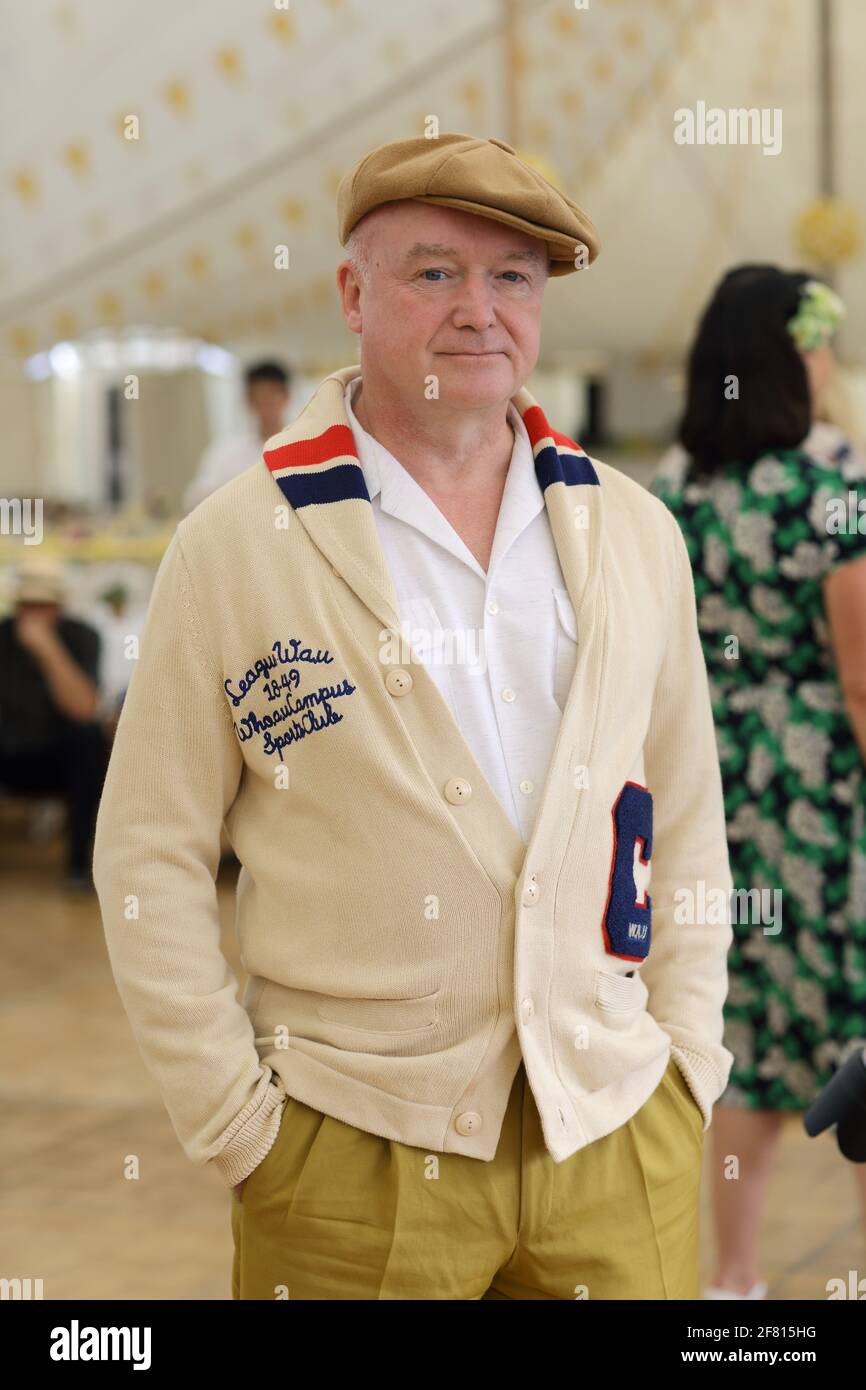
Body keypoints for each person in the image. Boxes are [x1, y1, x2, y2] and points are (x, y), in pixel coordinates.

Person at [93, 132, 734, 1301]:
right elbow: (147, 848)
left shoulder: (636, 533)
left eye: (513, 280)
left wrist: (686, 1062)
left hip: (615, 1134)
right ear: (351, 293)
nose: (477, 312)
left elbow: (686, 807)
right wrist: (239, 1127)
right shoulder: (242, 543)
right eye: (434, 272)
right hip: (346, 1152)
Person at [649, 265, 866, 1299]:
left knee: (738, 1034)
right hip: (823, 795)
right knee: (857, 1038)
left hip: (712, 784)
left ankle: (730, 1281)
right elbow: (862, 677)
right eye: (819, 340)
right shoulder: (828, 496)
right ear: (787, 355)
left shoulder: (665, 496)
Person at [0, 556, 109, 890]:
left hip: (59, 759)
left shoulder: (82, 636)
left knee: (89, 740)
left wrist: (46, 647)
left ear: (59, 605)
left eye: (43, 604)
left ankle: (79, 867)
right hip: (7, 754)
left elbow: (84, 708)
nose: (34, 613)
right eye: (28, 604)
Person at [181, 360, 293, 514]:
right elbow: (195, 502)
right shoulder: (225, 452)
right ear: (249, 400)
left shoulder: (301, 447)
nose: (267, 402)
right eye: (261, 396)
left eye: (273, 394)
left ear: (286, 397)